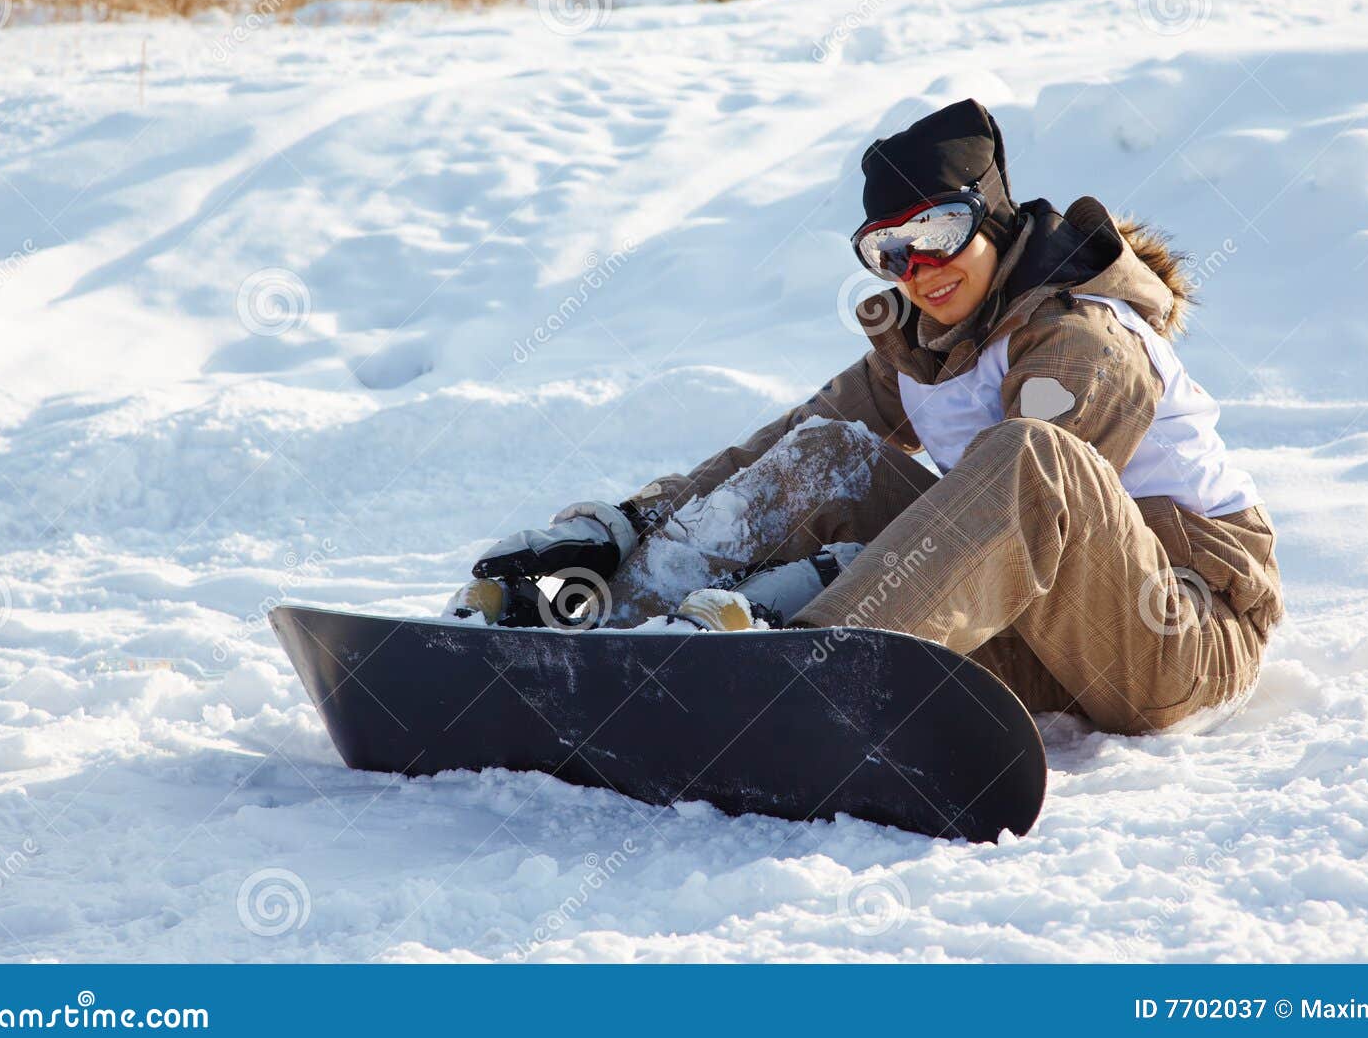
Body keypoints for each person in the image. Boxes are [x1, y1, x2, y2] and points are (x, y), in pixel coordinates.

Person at [449, 99, 1282, 734]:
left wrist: (834, 586)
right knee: (826, 455)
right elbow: (777, 453)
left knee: (1032, 455)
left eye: (940, 228)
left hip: (1176, 631)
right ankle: (599, 637)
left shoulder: (1084, 334)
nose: (917, 267)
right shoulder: (928, 347)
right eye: (889, 249)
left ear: (992, 214)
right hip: (1038, 630)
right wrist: (628, 523)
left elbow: (1036, 494)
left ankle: (804, 674)